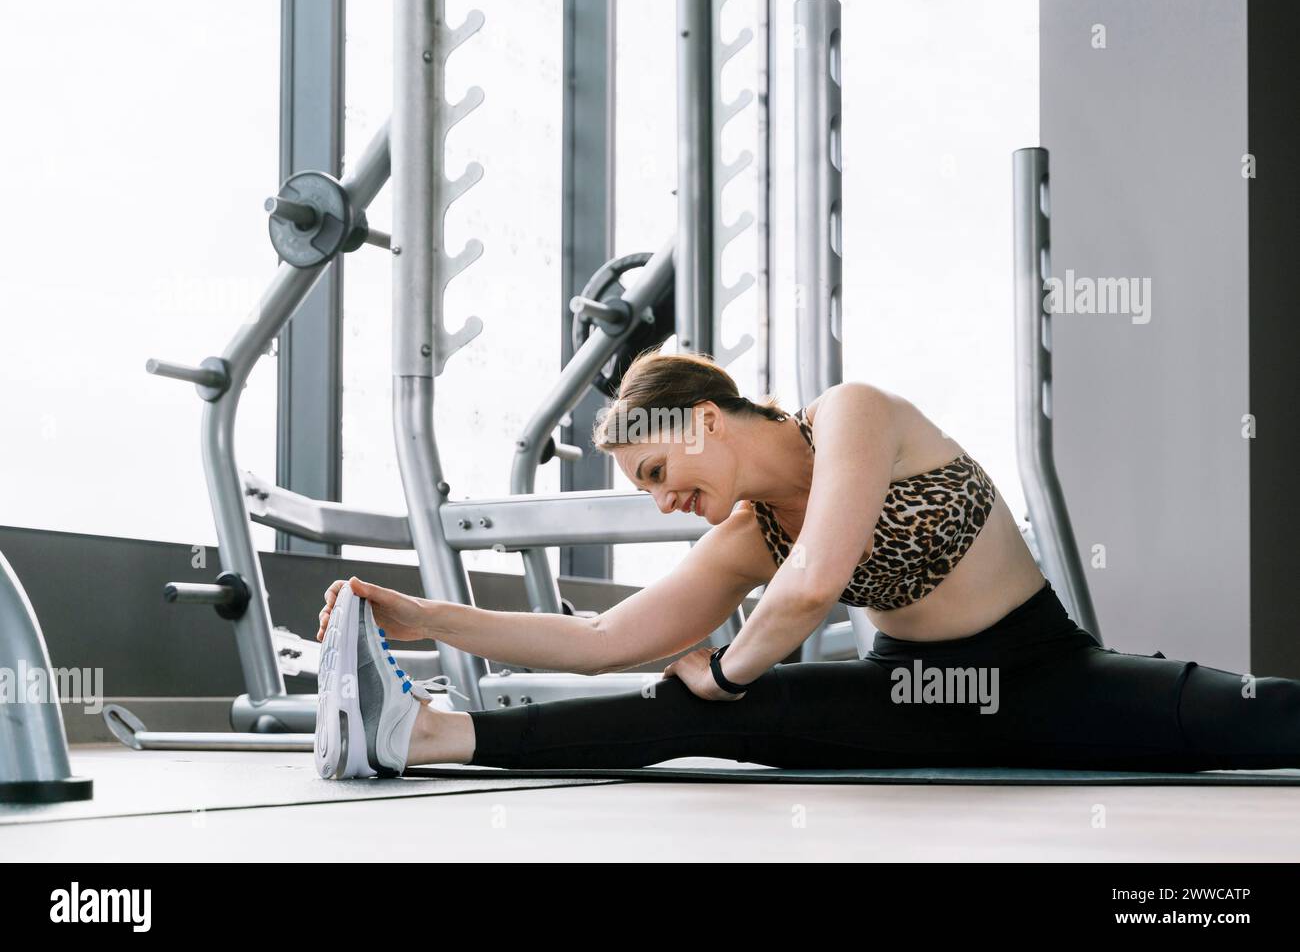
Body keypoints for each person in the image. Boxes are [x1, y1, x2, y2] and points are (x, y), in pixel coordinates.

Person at [313, 348, 1299, 779]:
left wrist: (729, 671)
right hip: (910, 693)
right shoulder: (749, 532)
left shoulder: (854, 413)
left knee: (1249, 716)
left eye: (659, 468)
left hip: (1044, 675)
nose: (659, 499)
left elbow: (817, 581)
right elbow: (602, 639)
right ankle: (425, 735)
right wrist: (427, 617)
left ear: (702, 418)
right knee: (674, 714)